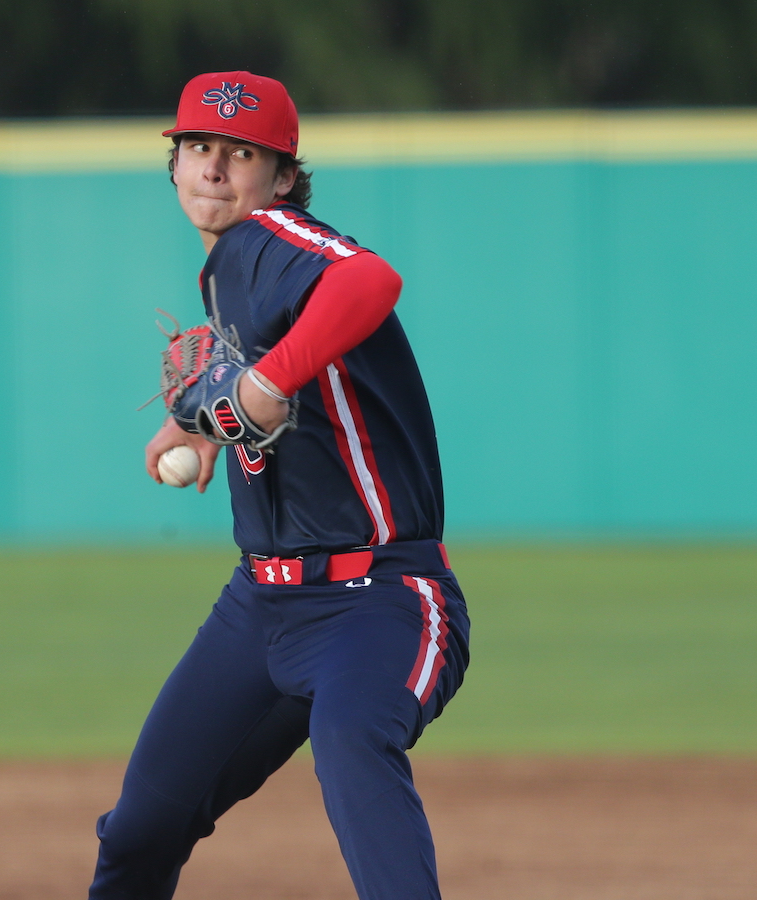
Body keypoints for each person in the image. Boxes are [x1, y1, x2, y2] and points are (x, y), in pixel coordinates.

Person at [89, 71, 471, 900]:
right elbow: (270, 389)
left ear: (286, 177)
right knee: (140, 832)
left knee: (351, 741)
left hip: (381, 597)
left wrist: (263, 384)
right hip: (258, 610)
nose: (215, 168)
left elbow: (370, 282)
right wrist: (203, 420)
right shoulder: (228, 271)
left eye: (242, 153)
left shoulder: (276, 238)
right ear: (175, 164)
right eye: (198, 148)